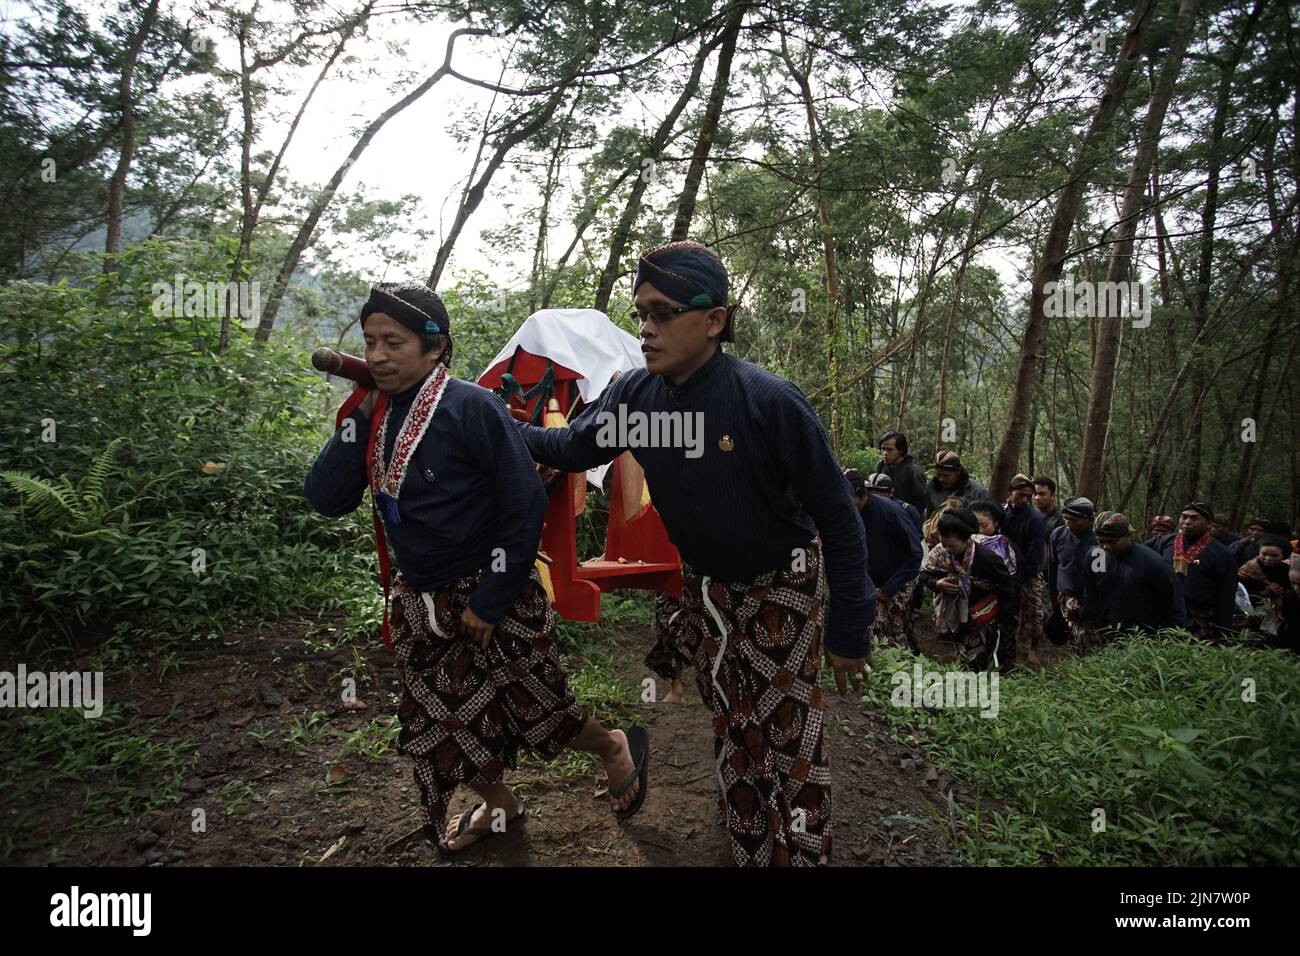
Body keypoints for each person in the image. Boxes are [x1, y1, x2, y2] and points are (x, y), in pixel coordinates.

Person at [513, 240, 875, 867]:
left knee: (786, 729)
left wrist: (850, 627)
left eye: (662, 313)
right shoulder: (635, 398)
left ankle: (805, 849)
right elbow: (570, 448)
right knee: (732, 720)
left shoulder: (767, 401)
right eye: (641, 315)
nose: (646, 330)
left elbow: (840, 520)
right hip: (706, 591)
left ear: (715, 321)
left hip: (778, 587)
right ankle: (750, 845)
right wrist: (486, 419)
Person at [304, 282, 647, 856]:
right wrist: (360, 413)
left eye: (395, 342)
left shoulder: (471, 407)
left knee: (539, 710)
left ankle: (613, 746)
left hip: (495, 590)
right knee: (439, 725)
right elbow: (325, 495)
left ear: (435, 348)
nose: (379, 356)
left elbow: (525, 505)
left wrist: (489, 599)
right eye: (369, 343)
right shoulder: (375, 413)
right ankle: (503, 804)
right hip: (420, 601)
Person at [918, 507, 1019, 671]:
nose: (947, 549)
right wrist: (936, 584)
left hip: (986, 608)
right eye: (943, 543)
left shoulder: (986, 558)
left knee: (990, 646)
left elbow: (1007, 586)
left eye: (952, 545)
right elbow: (924, 574)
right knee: (963, 642)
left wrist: (1005, 617)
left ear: (967, 540)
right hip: (959, 608)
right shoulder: (941, 551)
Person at [847, 468, 923, 650]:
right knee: (883, 621)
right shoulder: (851, 514)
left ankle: (903, 662)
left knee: (888, 623)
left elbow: (915, 555)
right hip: (873, 577)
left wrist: (889, 589)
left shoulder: (891, 513)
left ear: (861, 495)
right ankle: (912, 649)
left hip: (902, 575)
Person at [1088, 511, 1186, 636]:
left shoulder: (1154, 564)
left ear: (1128, 535)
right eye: (1100, 541)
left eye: (1112, 542)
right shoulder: (1098, 557)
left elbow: (1175, 609)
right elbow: (1091, 593)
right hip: (1108, 637)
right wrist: (1100, 628)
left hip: (1144, 641)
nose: (1106, 546)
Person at [1150, 502, 1238, 641]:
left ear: (1208, 523)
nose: (1187, 522)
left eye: (1194, 518)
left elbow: (1226, 594)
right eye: (1184, 517)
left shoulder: (1222, 554)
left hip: (1200, 617)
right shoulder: (1165, 542)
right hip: (1164, 611)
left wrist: (1224, 630)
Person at [1003, 473, 1049, 666]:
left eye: (1027, 496)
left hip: (1029, 572)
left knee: (1034, 612)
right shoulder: (1001, 512)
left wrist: (1021, 576)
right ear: (1010, 493)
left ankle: (1032, 649)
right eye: (1019, 494)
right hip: (1005, 570)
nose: (1023, 499)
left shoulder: (1035, 519)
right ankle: (1008, 646)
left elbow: (1035, 553)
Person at [1048, 496, 1100, 652]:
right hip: (1064, 597)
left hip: (1087, 602)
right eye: (1065, 518)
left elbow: (1100, 579)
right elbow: (1053, 566)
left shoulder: (1098, 543)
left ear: (1090, 519)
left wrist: (1089, 605)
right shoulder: (1057, 535)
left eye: (1074, 520)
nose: (1068, 523)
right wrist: (1053, 597)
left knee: (1090, 642)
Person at [1238, 535, 1292, 635]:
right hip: (1251, 615)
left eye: (1274, 555)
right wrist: (1263, 593)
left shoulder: (1288, 571)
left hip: (1280, 617)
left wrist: (1283, 593)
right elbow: (1240, 596)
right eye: (1264, 554)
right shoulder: (1248, 570)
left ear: (1283, 555)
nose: (1268, 558)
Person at [874, 431, 929, 515]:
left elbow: (921, 502)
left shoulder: (914, 471)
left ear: (901, 450)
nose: (885, 453)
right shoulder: (881, 466)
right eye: (883, 449)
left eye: (890, 449)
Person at [925, 450, 992, 515]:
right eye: (938, 475)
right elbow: (930, 515)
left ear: (958, 472)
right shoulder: (932, 487)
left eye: (946, 475)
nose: (941, 479)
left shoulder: (977, 492)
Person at [969, 500, 1017, 574]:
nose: (979, 529)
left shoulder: (1005, 544)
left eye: (984, 525)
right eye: (974, 524)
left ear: (995, 523)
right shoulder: (964, 539)